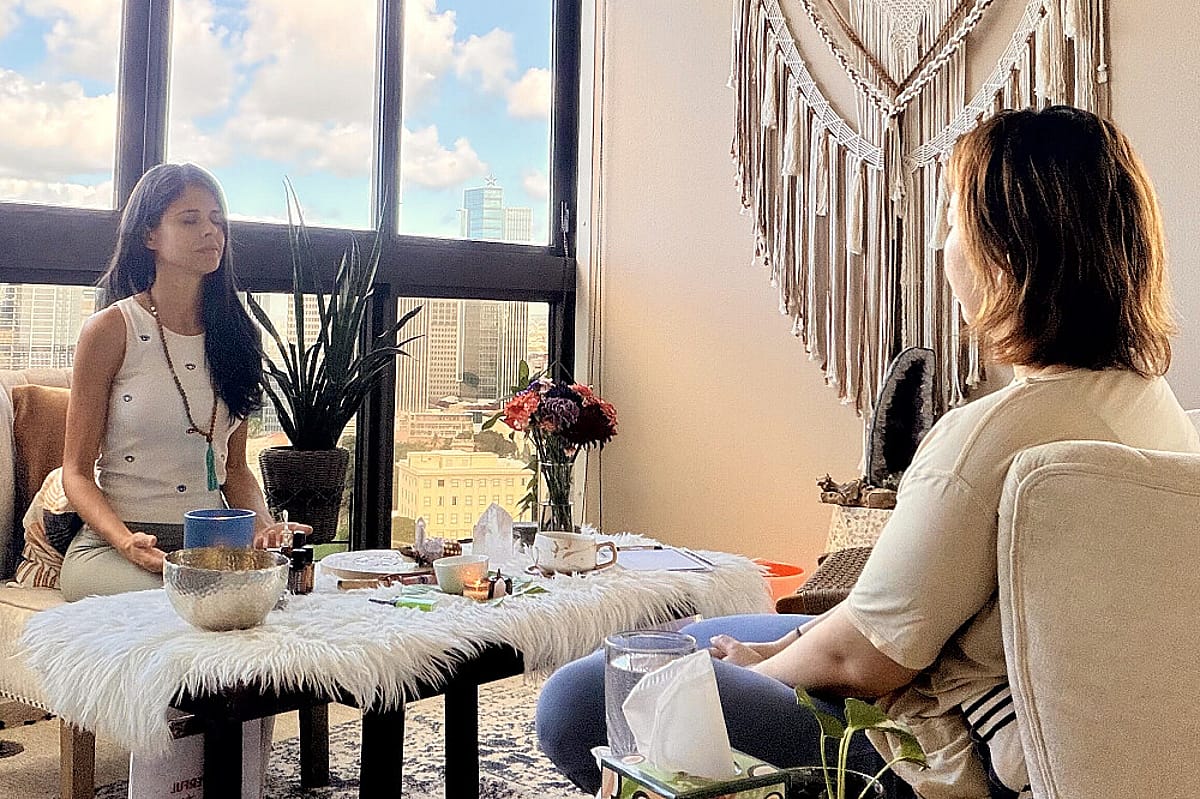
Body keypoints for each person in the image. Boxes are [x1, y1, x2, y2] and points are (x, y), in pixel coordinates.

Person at [536, 105, 1200, 799]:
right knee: (713, 635)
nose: (945, 248)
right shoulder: (1153, 408)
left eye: (951, 222)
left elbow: (862, 661)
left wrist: (721, 694)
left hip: (946, 750)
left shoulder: (993, 437)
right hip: (1046, 720)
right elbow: (907, 603)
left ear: (1007, 254)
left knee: (583, 696)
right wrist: (774, 648)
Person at [60, 162, 301, 602]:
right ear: (149, 235)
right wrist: (126, 542)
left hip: (210, 551)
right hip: (113, 548)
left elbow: (235, 470)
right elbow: (75, 473)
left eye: (216, 220)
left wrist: (265, 527)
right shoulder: (110, 330)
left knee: (281, 599)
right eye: (189, 220)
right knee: (186, 601)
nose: (211, 232)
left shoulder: (239, 336)